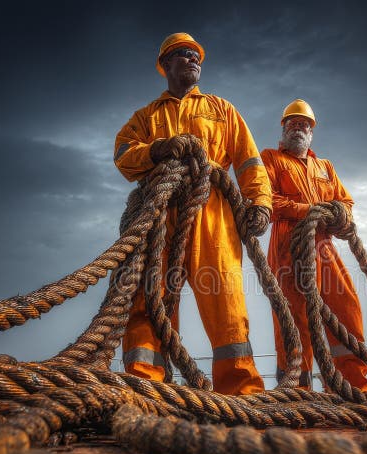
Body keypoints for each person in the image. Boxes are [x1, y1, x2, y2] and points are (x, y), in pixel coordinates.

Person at [113, 33, 271, 395]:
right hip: (159, 215)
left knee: (226, 299)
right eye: (184, 55)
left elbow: (248, 160)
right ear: (166, 64)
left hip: (212, 213)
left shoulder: (222, 110)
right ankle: (143, 386)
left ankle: (241, 391)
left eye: (196, 56)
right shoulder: (147, 117)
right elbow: (123, 154)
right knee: (148, 298)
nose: (193, 59)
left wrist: (260, 202)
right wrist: (159, 150)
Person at [262, 99, 367, 393]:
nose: (299, 128)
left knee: (346, 311)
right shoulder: (271, 159)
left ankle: (353, 388)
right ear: (283, 128)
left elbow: (345, 202)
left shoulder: (324, 166)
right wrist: (311, 211)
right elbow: (266, 201)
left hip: (324, 248)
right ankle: (297, 393)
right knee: (293, 321)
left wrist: (339, 216)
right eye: (293, 123)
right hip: (287, 249)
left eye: (305, 125)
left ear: (312, 132)